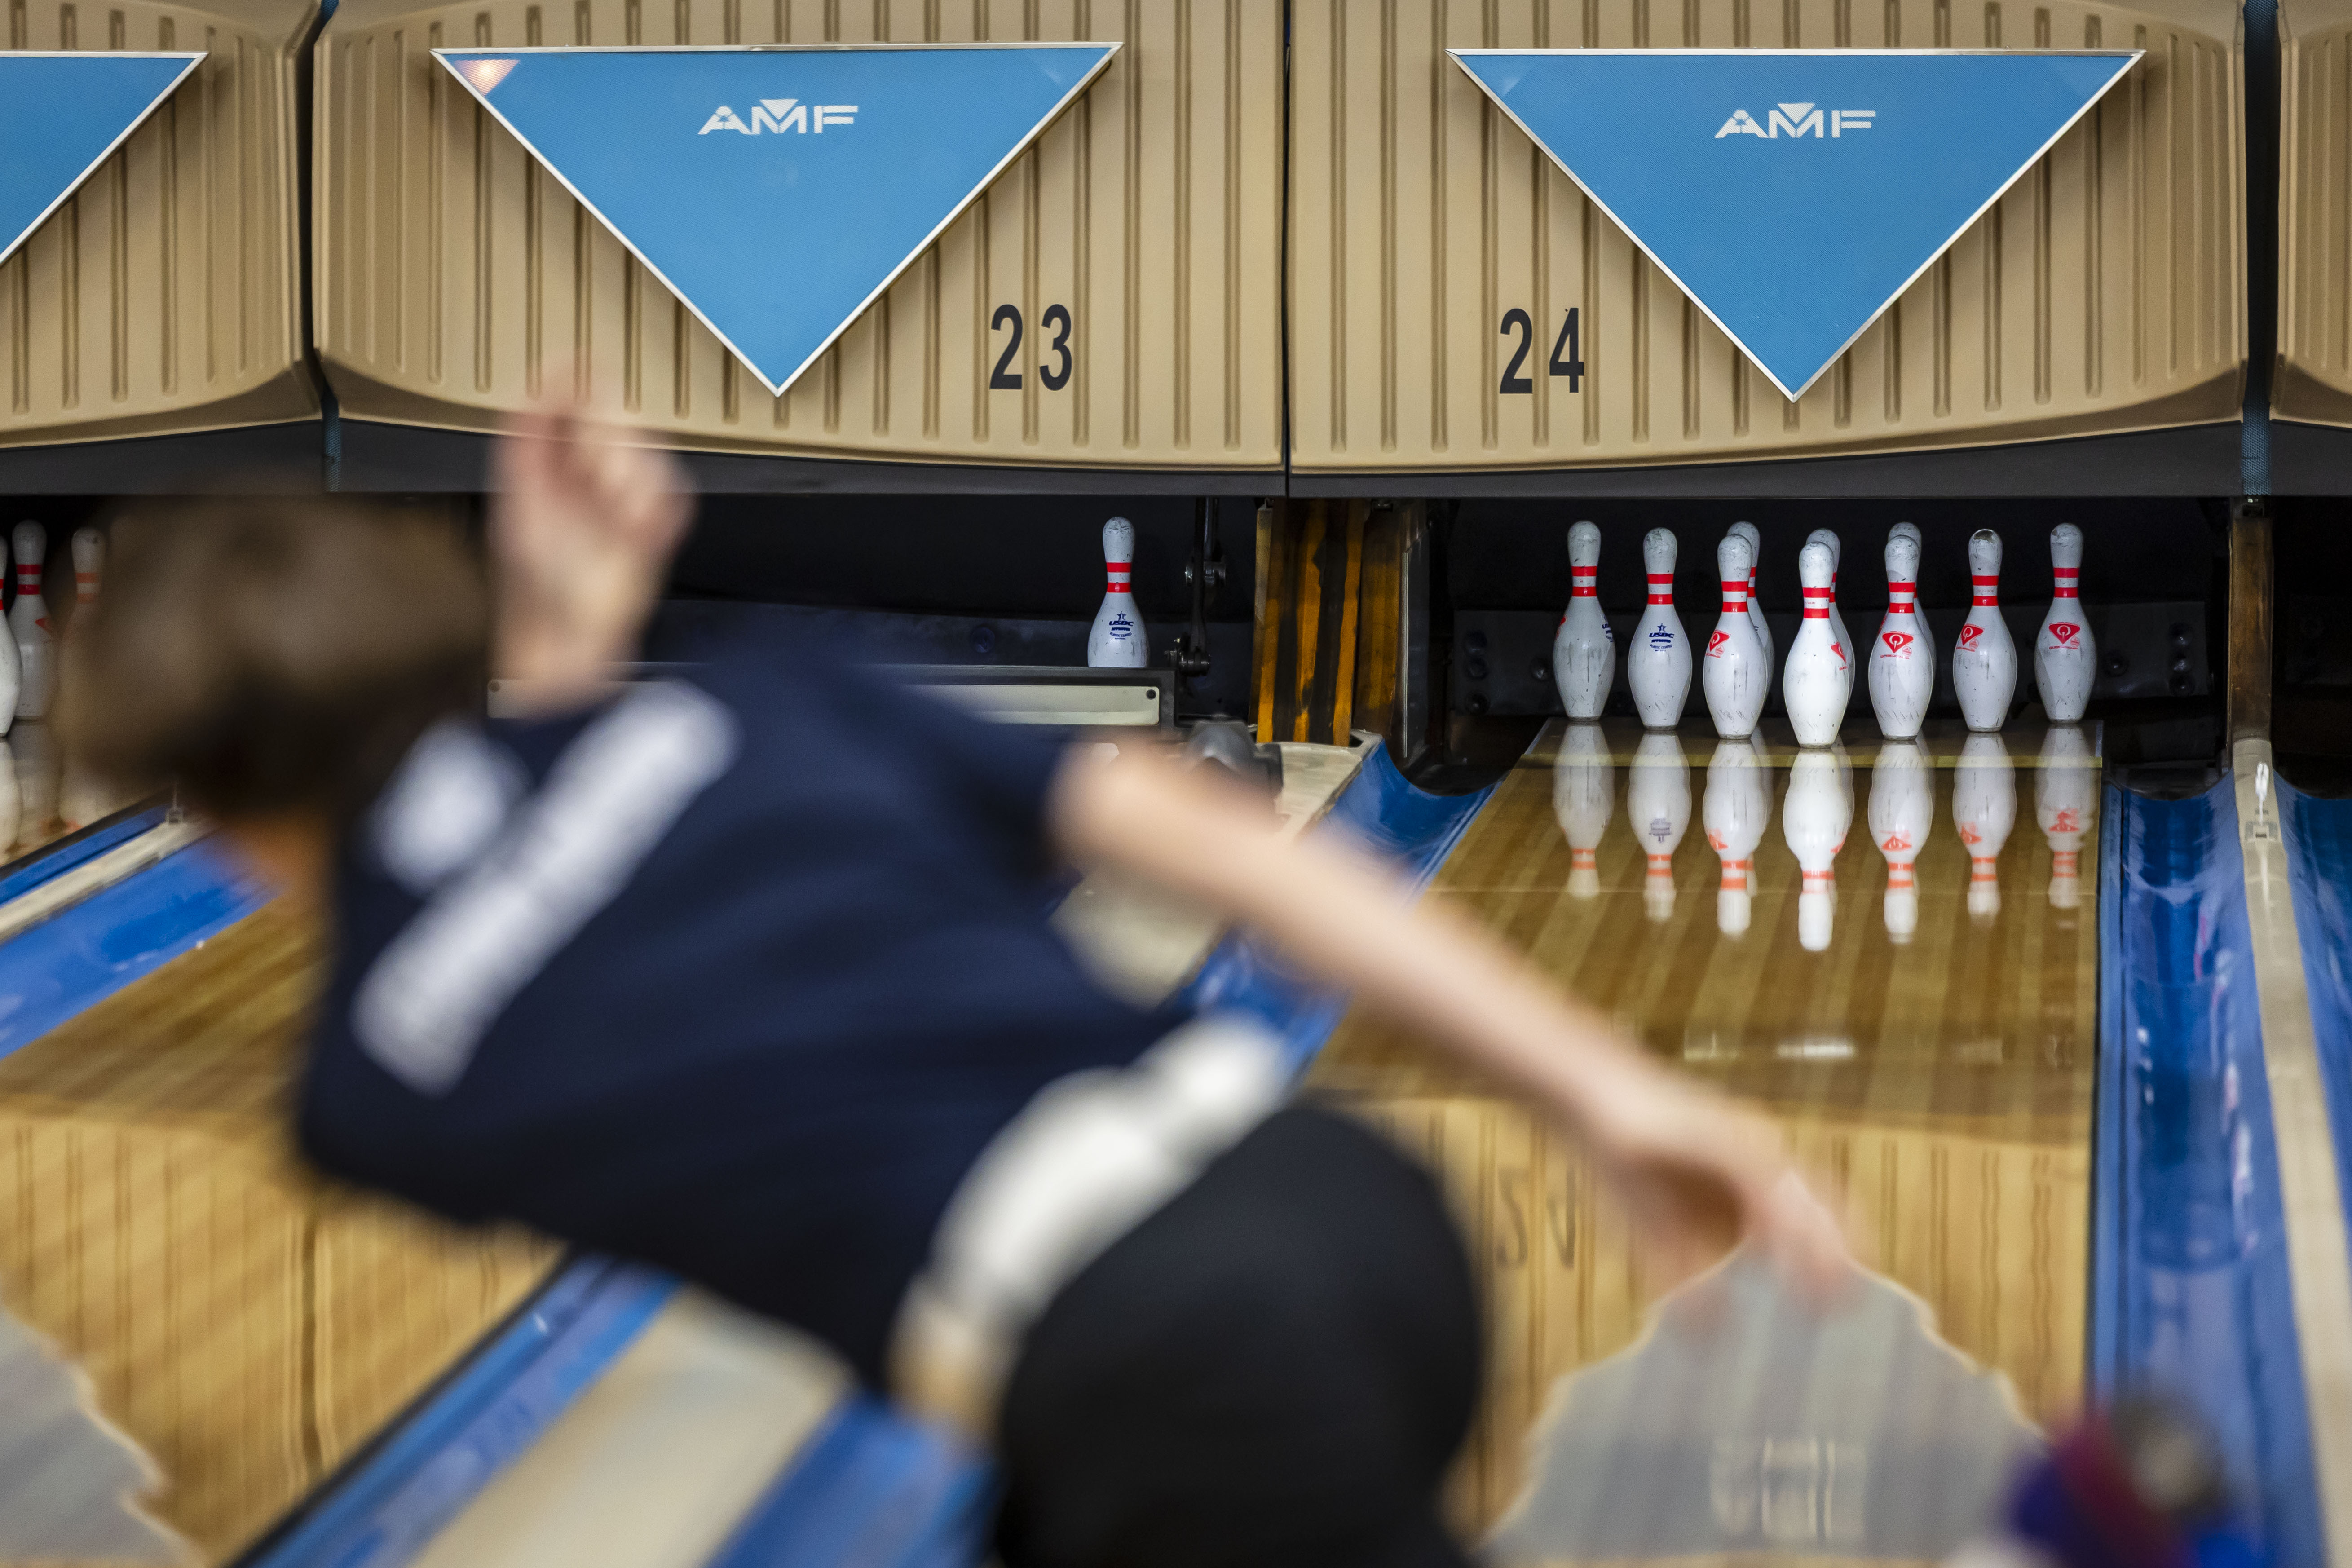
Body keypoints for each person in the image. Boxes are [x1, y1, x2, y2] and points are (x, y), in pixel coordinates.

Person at [60, 412, 1849, 1568]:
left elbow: (542, 917)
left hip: (1156, 1373)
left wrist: (552, 679)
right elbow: (1218, 846)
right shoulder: (754, 689)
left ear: (218, 811)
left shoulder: (369, 1093)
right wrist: (1602, 1090)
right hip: (1344, 1209)